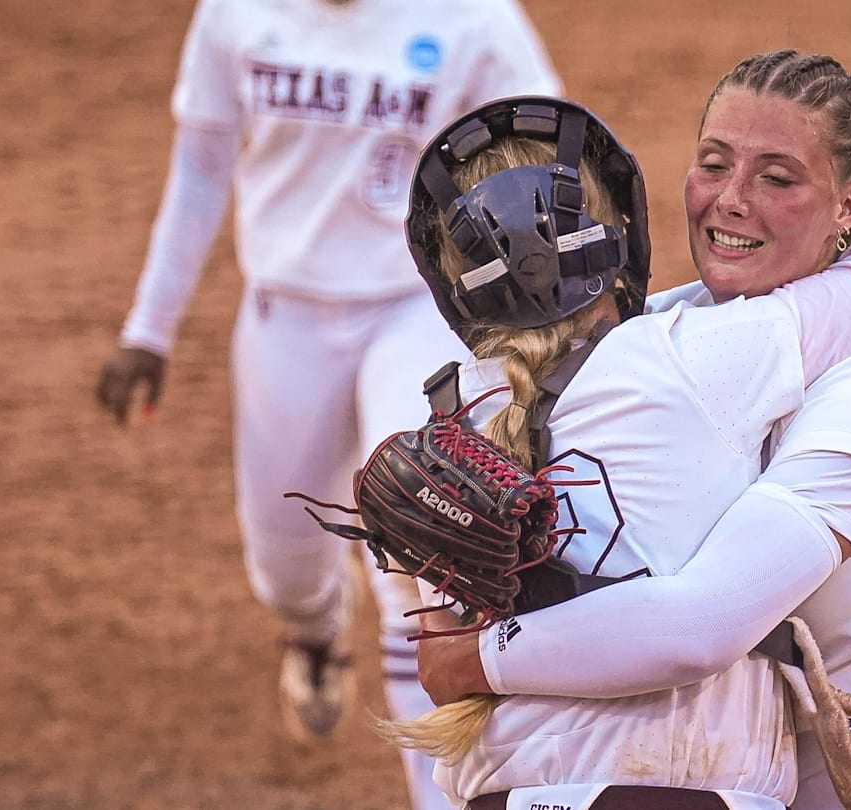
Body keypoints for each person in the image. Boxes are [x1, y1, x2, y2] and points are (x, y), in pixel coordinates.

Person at [414, 50, 851, 810]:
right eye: (713, 164)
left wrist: (476, 658)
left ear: (849, 205)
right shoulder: (682, 328)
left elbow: (705, 619)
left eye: (777, 177)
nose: (730, 200)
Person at [92, 2, 560, 807]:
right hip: (287, 312)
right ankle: (312, 632)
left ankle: (440, 793)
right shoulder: (235, 14)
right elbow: (201, 166)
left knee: (420, 549)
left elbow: (548, 151)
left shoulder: (471, 18)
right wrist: (149, 329)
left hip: (423, 303)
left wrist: (536, 313)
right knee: (281, 571)